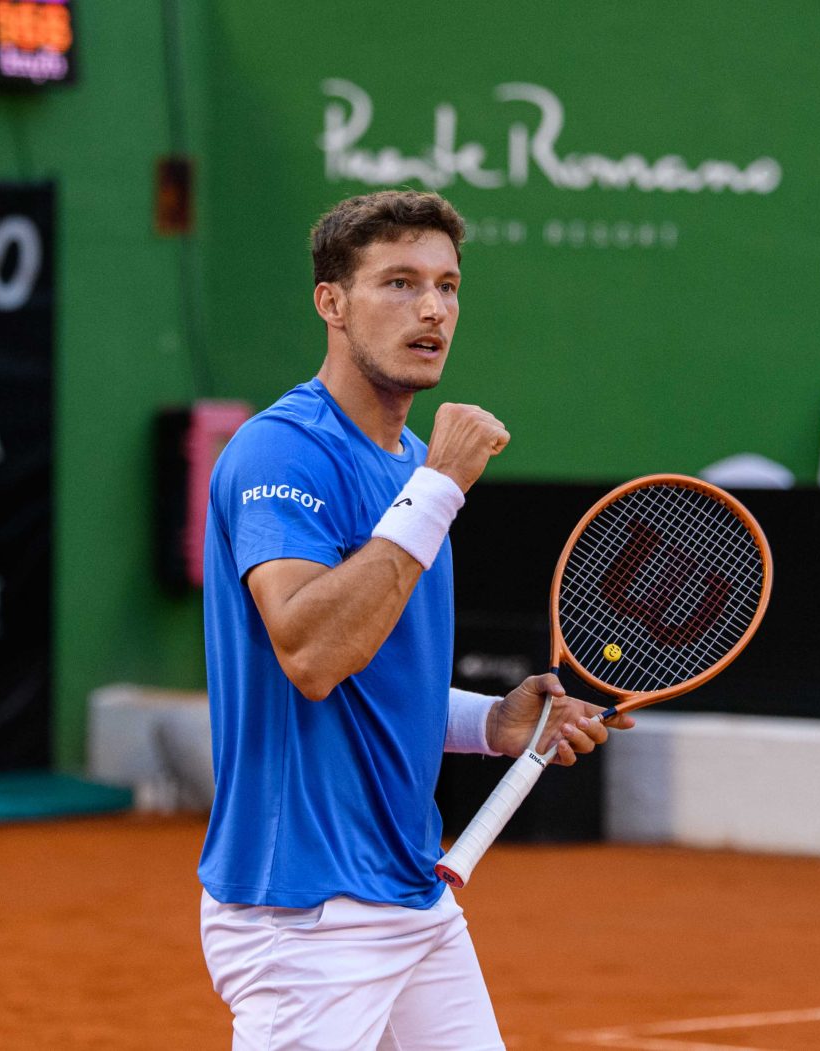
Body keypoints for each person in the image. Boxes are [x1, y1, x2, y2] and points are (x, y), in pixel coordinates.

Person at [197, 189, 633, 1050]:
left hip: (411, 901)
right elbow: (314, 654)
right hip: (307, 915)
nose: (432, 308)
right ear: (332, 303)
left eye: (447, 285)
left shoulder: (406, 464)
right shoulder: (284, 451)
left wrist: (490, 721)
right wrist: (438, 490)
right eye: (398, 283)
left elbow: (377, 688)